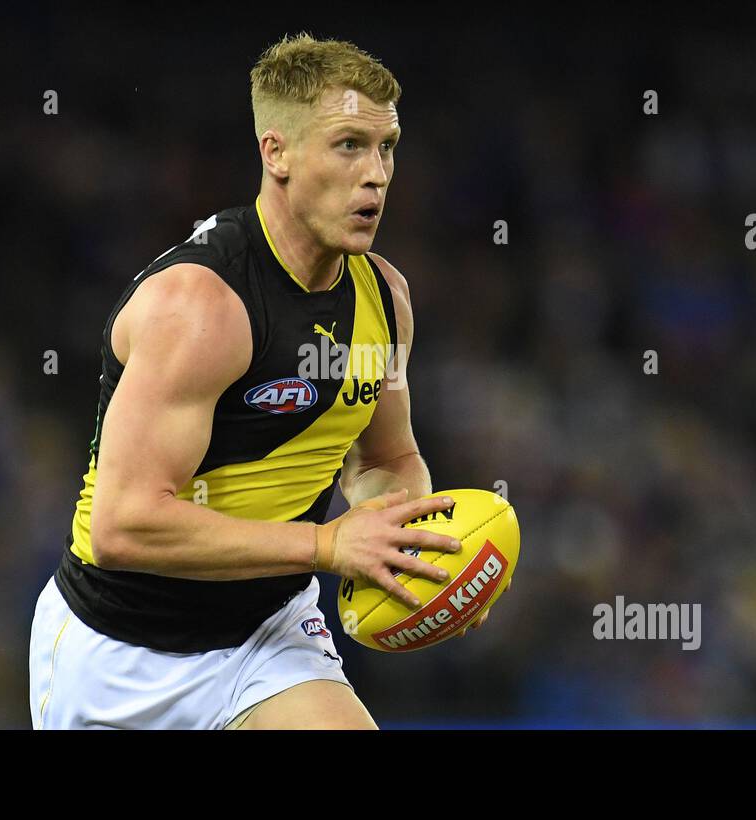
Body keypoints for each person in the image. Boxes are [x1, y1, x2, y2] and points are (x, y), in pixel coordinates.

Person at [28, 32, 494, 730]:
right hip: (118, 653)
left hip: (266, 636)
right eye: (348, 145)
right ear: (276, 152)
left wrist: (412, 557)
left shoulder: (384, 300)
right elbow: (123, 524)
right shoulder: (200, 307)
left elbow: (387, 460)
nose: (376, 174)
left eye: (386, 146)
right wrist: (329, 546)